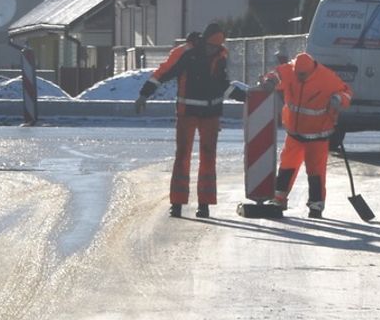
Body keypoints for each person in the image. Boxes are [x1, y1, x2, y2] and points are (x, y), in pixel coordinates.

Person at [137, 22, 242, 218]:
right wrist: (145, 94)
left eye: (216, 47)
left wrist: (245, 96)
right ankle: (177, 203)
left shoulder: (221, 55)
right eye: (210, 46)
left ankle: (204, 205)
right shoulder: (185, 53)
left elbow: (222, 85)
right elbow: (163, 73)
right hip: (187, 113)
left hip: (211, 114)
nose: (213, 49)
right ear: (204, 41)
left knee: (208, 157)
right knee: (182, 156)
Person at [259, 52, 352, 217]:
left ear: (311, 70)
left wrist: (338, 99)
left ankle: (316, 206)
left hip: (318, 135)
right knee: (287, 167)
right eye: (298, 74)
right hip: (295, 133)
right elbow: (276, 74)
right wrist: (270, 81)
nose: (300, 77)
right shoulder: (289, 70)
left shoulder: (327, 78)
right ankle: (278, 199)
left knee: (316, 172)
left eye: (303, 75)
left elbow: (346, 93)